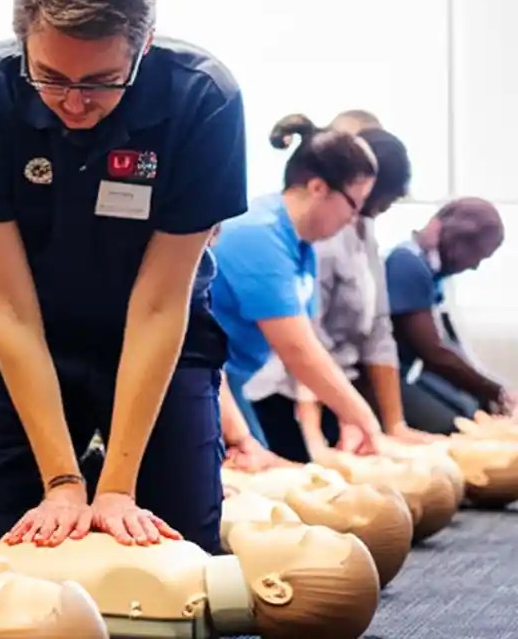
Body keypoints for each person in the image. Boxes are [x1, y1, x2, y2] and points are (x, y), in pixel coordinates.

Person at [0, 0, 249, 558]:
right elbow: (10, 308)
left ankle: (162, 475)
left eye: (102, 80)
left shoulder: (204, 100)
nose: (74, 102)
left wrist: (117, 490)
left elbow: (161, 305)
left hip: (160, 335)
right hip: (31, 331)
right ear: (22, 37)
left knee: (179, 547)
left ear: (144, 45)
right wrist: (64, 482)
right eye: (49, 76)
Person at [210, 115, 386, 465]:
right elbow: (298, 350)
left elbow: (307, 346)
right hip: (203, 388)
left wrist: (338, 419)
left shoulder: (301, 246)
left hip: (230, 386)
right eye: (355, 204)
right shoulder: (258, 235)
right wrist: (363, 419)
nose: (354, 219)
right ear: (319, 188)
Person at [293, 112, 440, 450]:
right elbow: (305, 340)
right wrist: (323, 434)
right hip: (302, 395)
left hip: (343, 387)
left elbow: (378, 331)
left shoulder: (365, 231)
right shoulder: (322, 234)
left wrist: (394, 424)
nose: (387, 207)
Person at [386, 197, 512, 433]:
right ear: (459, 241)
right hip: (390, 378)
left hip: (409, 372)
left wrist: (488, 390)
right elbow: (434, 352)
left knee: (473, 410)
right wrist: (494, 390)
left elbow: (450, 346)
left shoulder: (429, 271)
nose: (474, 266)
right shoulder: (407, 265)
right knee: (457, 425)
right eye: (478, 256)